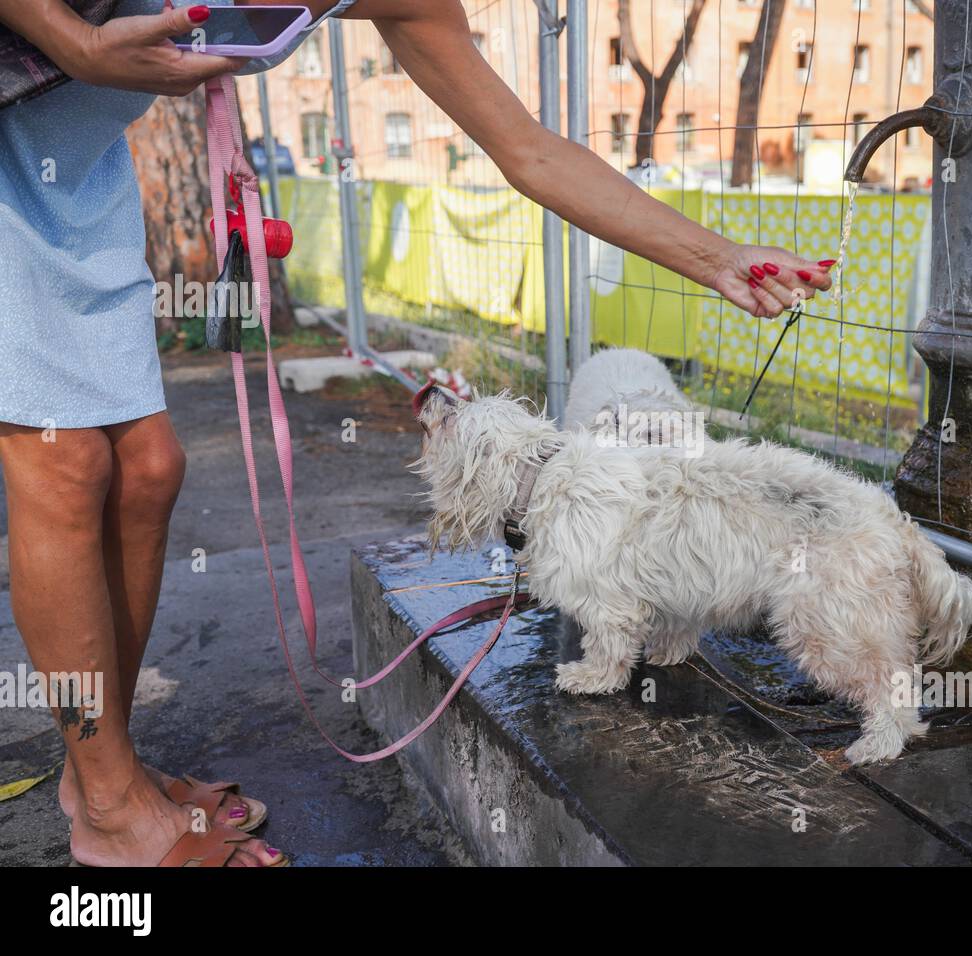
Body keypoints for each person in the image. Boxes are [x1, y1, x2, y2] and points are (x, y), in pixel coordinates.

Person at [0, 0, 833, 866]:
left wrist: (719, 259)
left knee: (148, 469)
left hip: (76, 160)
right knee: (63, 466)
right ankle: (106, 804)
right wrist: (77, 41)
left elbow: (532, 149)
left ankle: (101, 762)